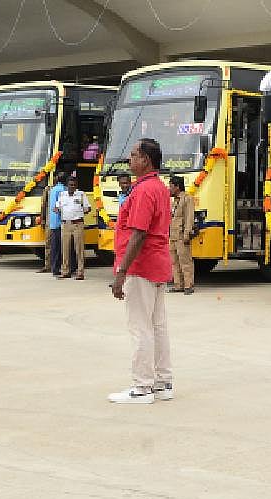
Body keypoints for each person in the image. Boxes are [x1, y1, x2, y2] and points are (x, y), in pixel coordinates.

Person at [109, 138, 173, 405]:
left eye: (133, 155)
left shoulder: (145, 190)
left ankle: (142, 387)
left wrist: (121, 272)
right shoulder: (159, 187)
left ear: (146, 159)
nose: (129, 160)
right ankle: (162, 382)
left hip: (141, 265)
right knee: (157, 326)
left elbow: (138, 233)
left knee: (140, 327)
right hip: (156, 263)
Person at [56, 175, 90, 280]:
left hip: (77, 224)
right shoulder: (62, 195)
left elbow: (88, 207)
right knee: (65, 249)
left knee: (79, 249)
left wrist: (83, 211)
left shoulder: (81, 194)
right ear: (67, 185)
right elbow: (57, 207)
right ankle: (65, 271)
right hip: (66, 224)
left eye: (74, 185)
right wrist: (57, 210)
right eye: (70, 185)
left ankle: (80, 272)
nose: (72, 187)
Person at [168, 175, 195, 294]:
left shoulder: (187, 199)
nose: (169, 189)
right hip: (173, 235)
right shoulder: (175, 201)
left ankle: (188, 285)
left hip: (181, 235)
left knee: (185, 261)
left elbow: (189, 218)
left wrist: (187, 234)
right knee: (174, 262)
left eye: (171, 186)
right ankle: (178, 285)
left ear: (177, 187)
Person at [38, 174, 66, 275]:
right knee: (49, 244)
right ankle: (47, 265)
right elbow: (43, 205)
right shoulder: (48, 189)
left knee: (59, 245)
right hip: (50, 221)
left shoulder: (63, 189)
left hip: (58, 221)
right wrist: (43, 219)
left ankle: (59, 266)